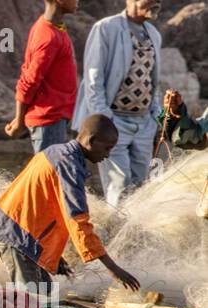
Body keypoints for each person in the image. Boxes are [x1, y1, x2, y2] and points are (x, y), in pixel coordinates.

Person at [0, 114, 141, 308]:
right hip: (16, 233)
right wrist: (112, 267)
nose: (108, 155)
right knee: (32, 301)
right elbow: (78, 219)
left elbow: (45, 206)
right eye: (107, 148)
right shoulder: (69, 165)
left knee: (46, 292)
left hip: (22, 231)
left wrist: (53, 254)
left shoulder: (57, 152)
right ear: (91, 141)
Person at [73, 0, 163, 207]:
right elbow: (93, 78)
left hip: (144, 123)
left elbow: (153, 80)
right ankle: (116, 235)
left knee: (143, 185)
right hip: (114, 120)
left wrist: (156, 117)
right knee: (119, 184)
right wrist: (104, 119)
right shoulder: (106, 28)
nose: (156, 2)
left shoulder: (153, 34)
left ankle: (137, 237)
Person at [6, 0, 79, 153]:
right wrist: (19, 121)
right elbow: (29, 79)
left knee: (52, 173)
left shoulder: (51, 26)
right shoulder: (48, 37)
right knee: (48, 174)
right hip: (48, 120)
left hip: (54, 117)